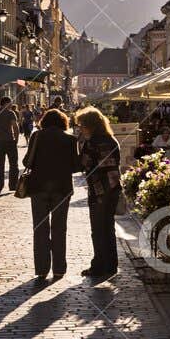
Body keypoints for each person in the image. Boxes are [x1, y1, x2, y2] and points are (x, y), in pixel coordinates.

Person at [24, 108, 80, 282]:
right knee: (59, 228)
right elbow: (76, 167)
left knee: (40, 228)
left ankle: (41, 269)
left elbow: (27, 162)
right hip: (61, 188)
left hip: (38, 188)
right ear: (63, 122)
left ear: (45, 121)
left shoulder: (37, 136)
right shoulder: (70, 139)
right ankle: (59, 269)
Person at [75, 106, 122, 280]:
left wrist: (78, 145)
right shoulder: (112, 140)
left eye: (82, 125)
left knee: (98, 229)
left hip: (98, 190)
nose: (80, 128)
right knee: (108, 227)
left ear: (91, 125)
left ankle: (99, 265)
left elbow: (82, 164)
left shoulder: (92, 142)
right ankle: (111, 264)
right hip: (114, 188)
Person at [0, 96, 21, 195]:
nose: (11, 104)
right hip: (9, 141)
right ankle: (13, 185)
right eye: (10, 103)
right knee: (13, 164)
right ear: (6, 103)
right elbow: (15, 127)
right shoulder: (10, 113)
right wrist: (16, 140)